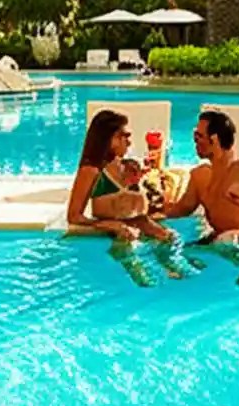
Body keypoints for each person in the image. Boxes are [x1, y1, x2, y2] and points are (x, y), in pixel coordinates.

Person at [67, 109, 191, 285]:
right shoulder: (91, 170)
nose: (129, 141)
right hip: (120, 233)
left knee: (171, 238)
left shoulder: (123, 166)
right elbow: (73, 216)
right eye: (123, 136)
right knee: (141, 273)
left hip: (139, 223)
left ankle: (171, 267)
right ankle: (146, 281)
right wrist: (109, 225)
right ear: (107, 138)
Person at [166, 110, 239, 285]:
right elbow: (180, 209)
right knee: (175, 251)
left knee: (224, 250)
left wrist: (235, 234)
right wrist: (150, 210)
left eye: (198, 136)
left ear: (214, 140)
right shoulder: (200, 176)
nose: (194, 141)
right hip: (218, 239)